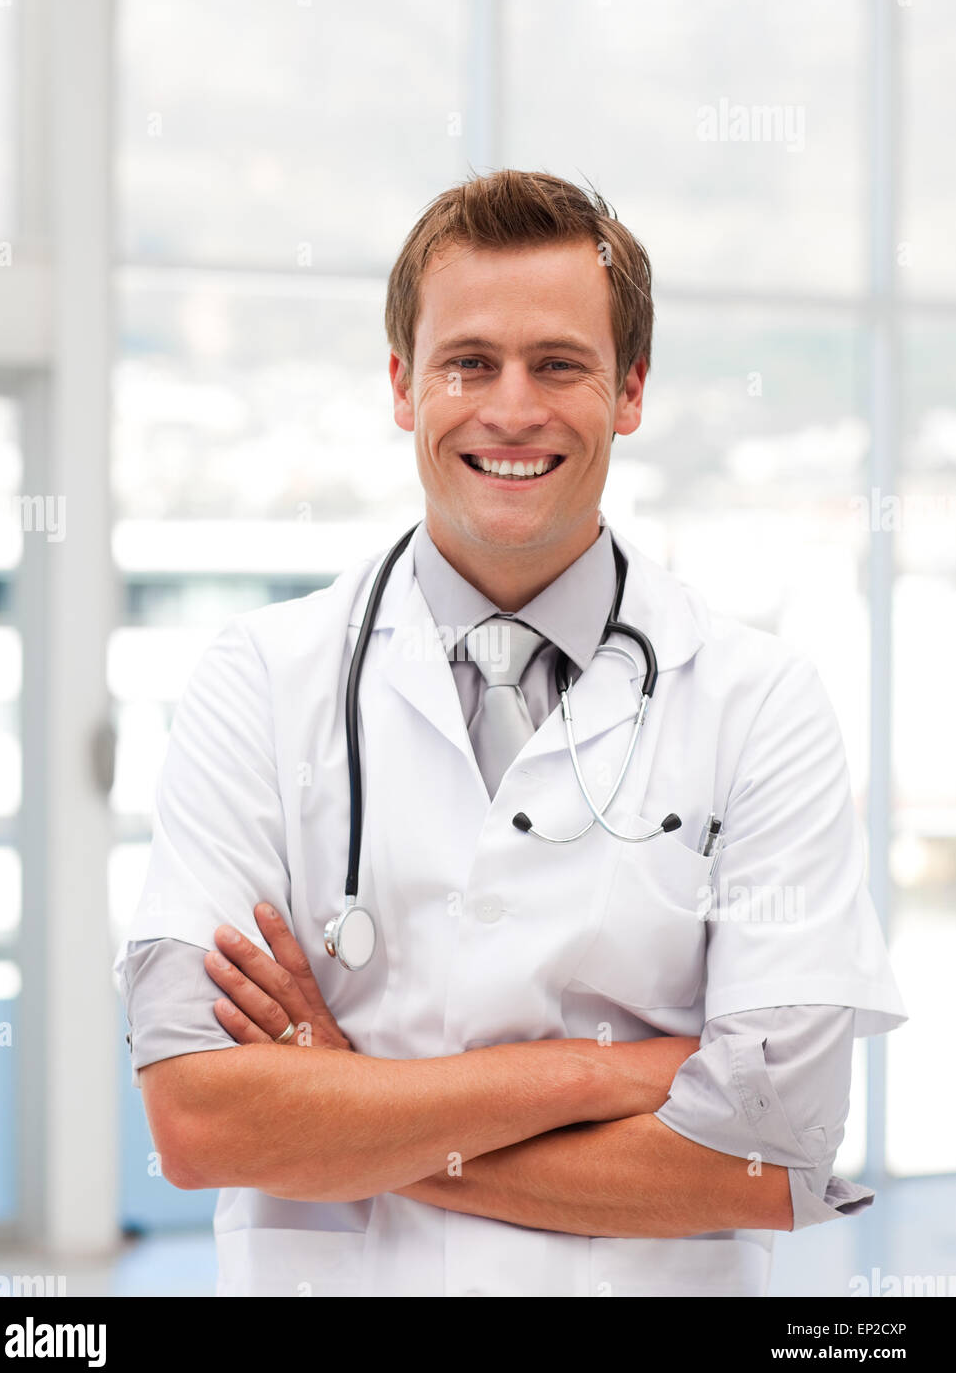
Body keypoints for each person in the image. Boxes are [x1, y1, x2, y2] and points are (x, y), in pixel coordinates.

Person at [114, 169, 906, 1298]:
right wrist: (598, 1073)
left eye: (559, 364)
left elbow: (762, 1162)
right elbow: (198, 1120)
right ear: (403, 384)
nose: (512, 408)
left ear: (629, 390)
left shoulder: (757, 703)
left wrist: (346, 1102)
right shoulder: (256, 684)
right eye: (468, 362)